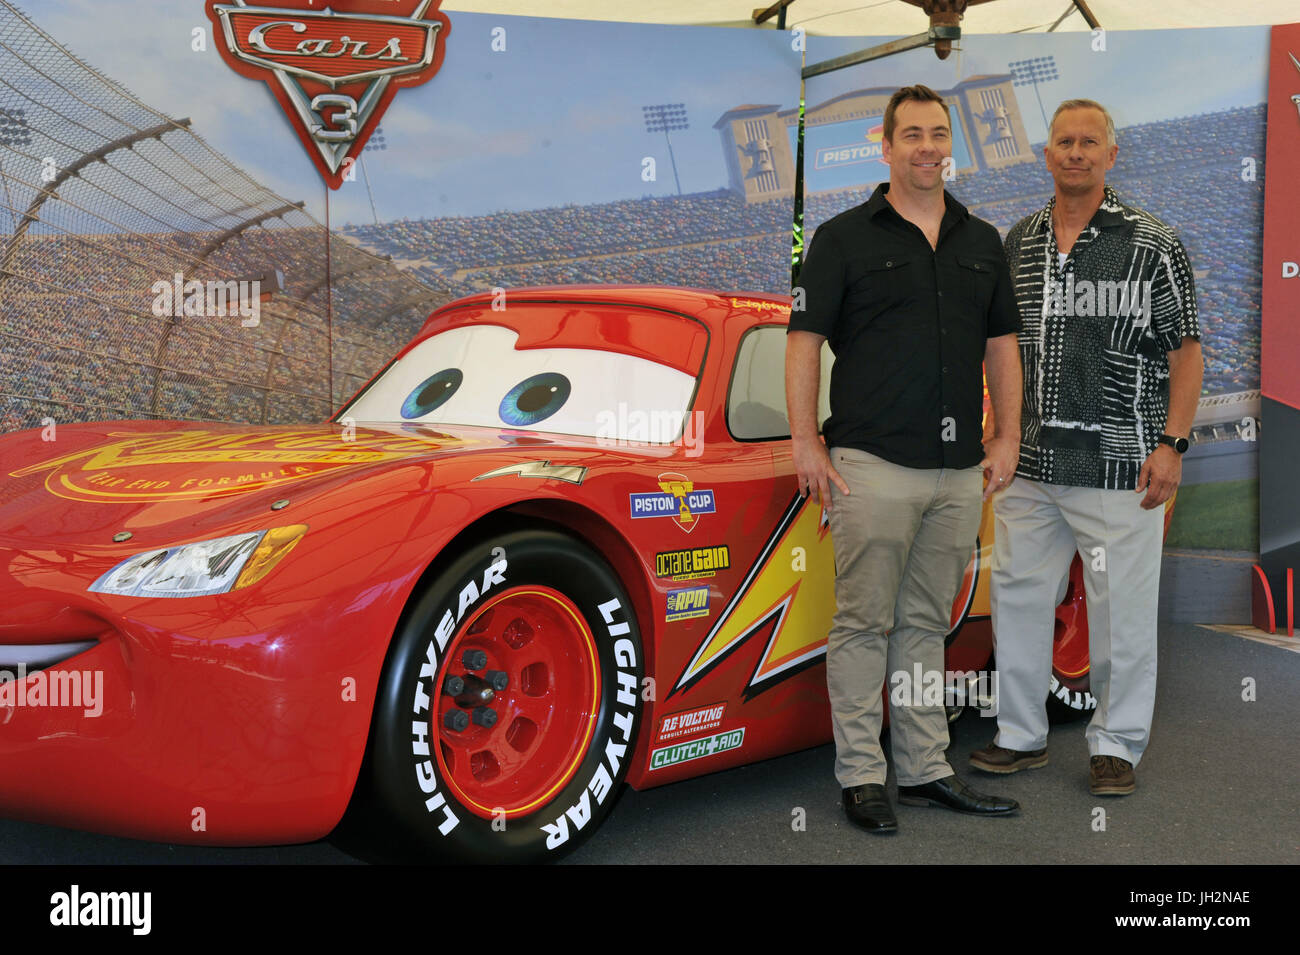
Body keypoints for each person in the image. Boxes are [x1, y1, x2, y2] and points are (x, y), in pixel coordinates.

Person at [785, 84, 1023, 834]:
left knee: (925, 624)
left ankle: (923, 767)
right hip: (871, 463)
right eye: (911, 133)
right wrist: (805, 441)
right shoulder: (842, 237)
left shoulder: (981, 240)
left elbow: (1002, 347)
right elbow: (802, 344)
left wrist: (1008, 433)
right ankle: (861, 774)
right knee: (863, 623)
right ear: (883, 146)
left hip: (958, 470)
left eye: (937, 133)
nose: (926, 146)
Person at [969, 99, 1203, 796]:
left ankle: (1116, 745)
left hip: (1121, 462)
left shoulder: (1152, 244)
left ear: (1111, 155)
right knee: (1016, 597)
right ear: (1047, 154)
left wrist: (1174, 442)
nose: (1075, 152)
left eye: (1088, 142)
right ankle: (1018, 734)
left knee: (1121, 610)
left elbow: (1186, 352)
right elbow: (1001, 346)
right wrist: (999, 429)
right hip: (1031, 462)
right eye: (1064, 141)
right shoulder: (1020, 240)